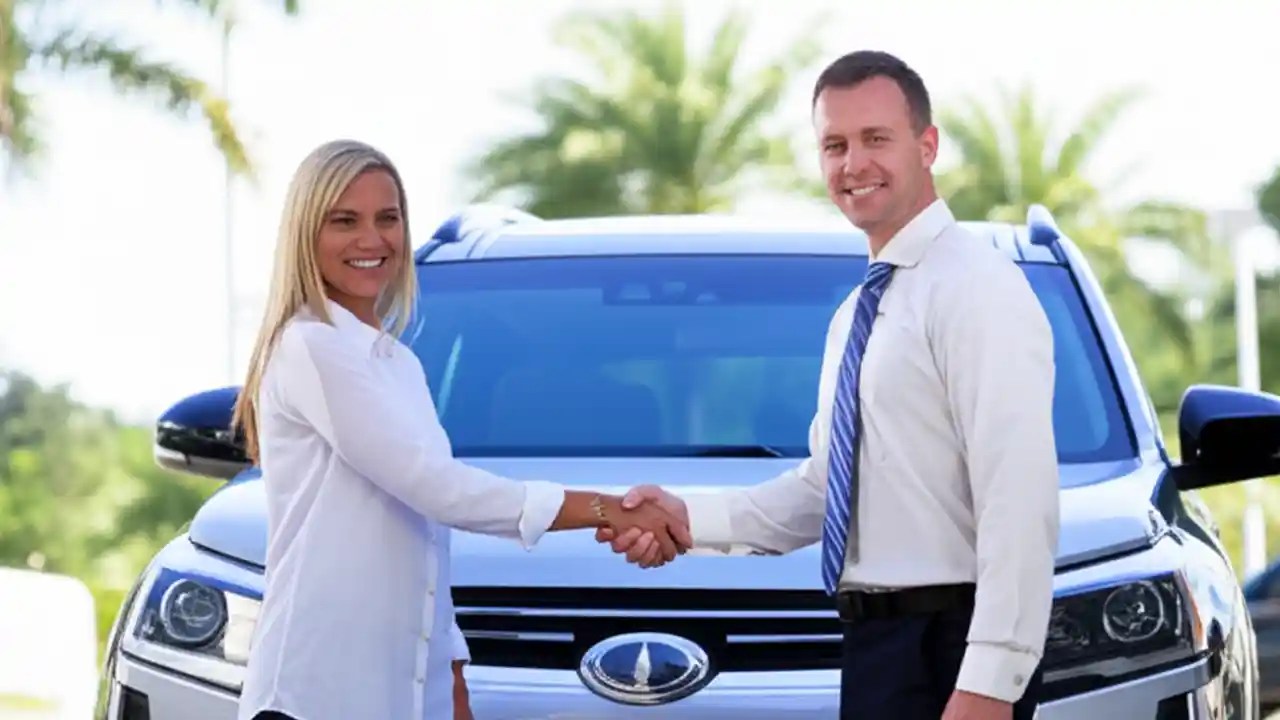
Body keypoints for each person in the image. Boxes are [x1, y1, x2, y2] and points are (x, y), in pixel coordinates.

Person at [597, 50, 1058, 720]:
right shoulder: (858, 314)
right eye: (834, 145)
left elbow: (1019, 497)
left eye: (876, 139)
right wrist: (685, 518)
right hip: (877, 647)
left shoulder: (977, 288)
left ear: (927, 146)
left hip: (949, 649)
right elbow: (825, 491)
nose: (853, 165)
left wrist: (989, 682)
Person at [230, 139, 692, 720]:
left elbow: (421, 534)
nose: (372, 240)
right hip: (314, 691)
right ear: (305, 233)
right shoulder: (310, 346)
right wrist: (609, 509)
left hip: (401, 697)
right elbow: (437, 488)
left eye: (388, 218)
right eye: (344, 221)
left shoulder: (399, 364)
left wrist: (451, 674)